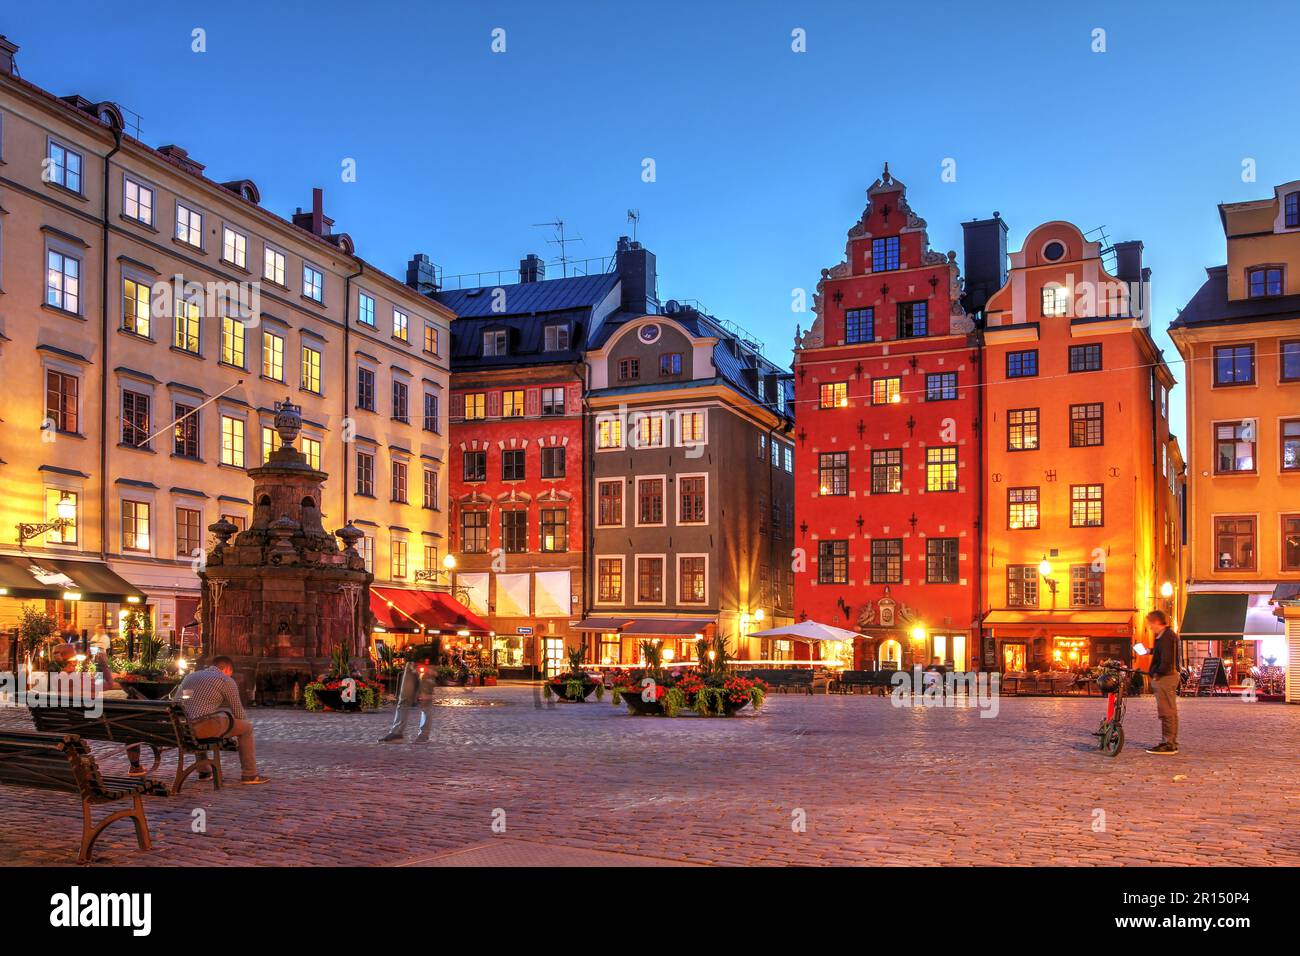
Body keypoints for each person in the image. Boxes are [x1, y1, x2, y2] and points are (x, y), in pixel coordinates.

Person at [177, 655, 269, 784]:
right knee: (246, 728)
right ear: (227, 669)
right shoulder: (225, 680)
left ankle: (204, 770)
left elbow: (180, 701)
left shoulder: (190, 676)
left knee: (199, 718)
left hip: (180, 728)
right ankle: (250, 774)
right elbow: (238, 712)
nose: (230, 676)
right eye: (231, 673)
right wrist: (238, 727)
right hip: (200, 728)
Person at [1145, 610, 1180, 755]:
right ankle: (1169, 741)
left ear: (1156, 622)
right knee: (1168, 710)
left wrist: (1157, 674)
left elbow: (1166, 660)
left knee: (1167, 711)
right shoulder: (1165, 636)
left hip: (1165, 677)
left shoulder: (1166, 637)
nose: (1149, 627)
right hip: (1166, 676)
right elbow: (1163, 653)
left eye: (1150, 624)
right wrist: (1150, 651)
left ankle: (1169, 744)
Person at [378, 659, 436, 743]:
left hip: (427, 662)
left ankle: (423, 735)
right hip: (411, 662)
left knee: (425, 700)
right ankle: (397, 733)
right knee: (404, 699)